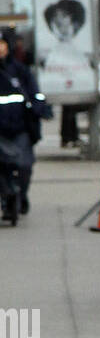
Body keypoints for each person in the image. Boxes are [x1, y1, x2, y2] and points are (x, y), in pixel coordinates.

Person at [0, 25, 43, 216]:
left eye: (1, 44)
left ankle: (21, 195)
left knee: (24, 165)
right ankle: (8, 197)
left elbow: (35, 95)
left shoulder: (20, 71)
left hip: (20, 129)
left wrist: (39, 108)